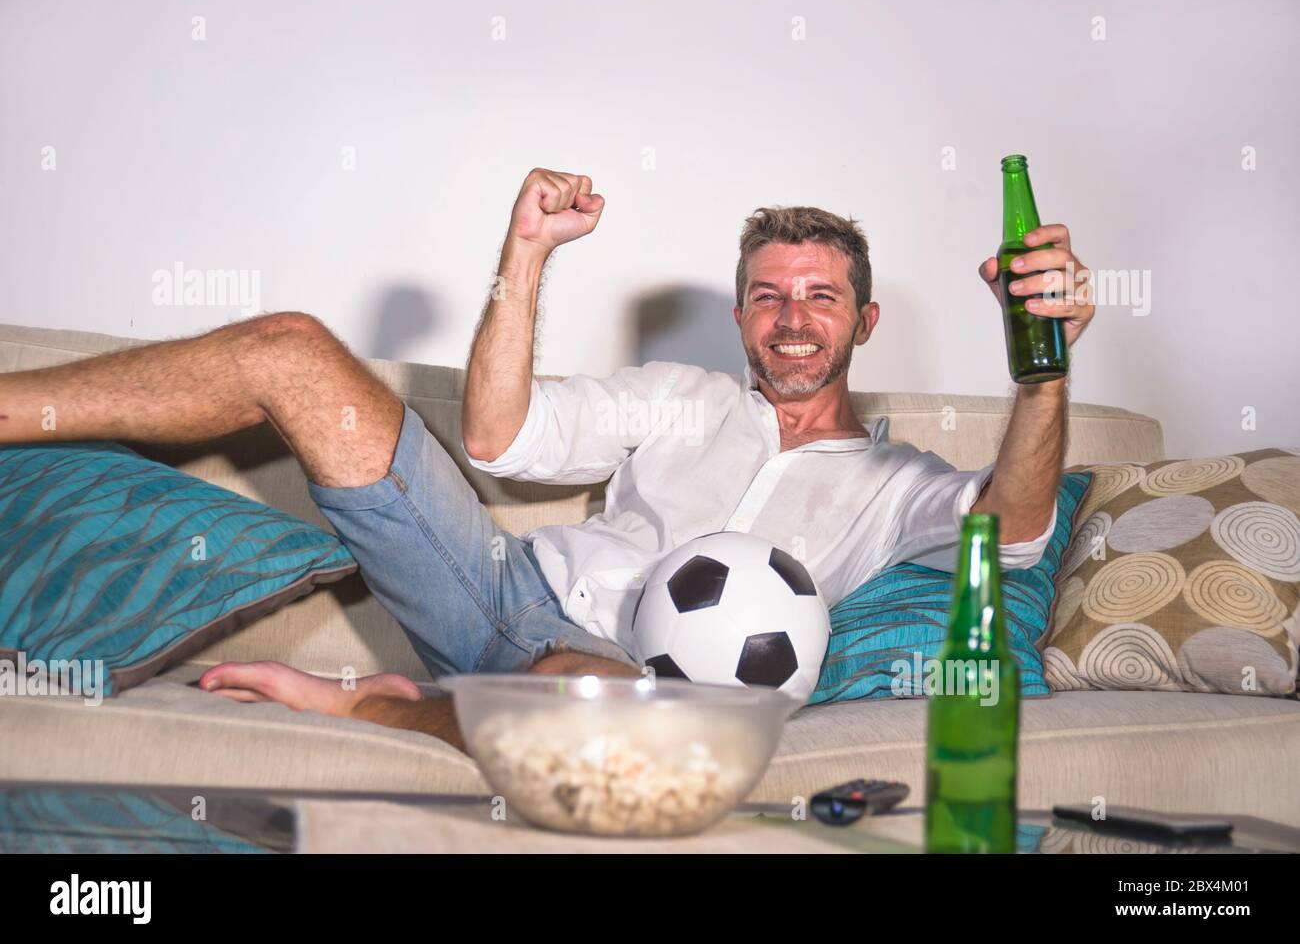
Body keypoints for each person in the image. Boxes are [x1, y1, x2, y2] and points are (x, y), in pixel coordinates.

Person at [0, 167, 1095, 752]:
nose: (792, 318)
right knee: (291, 349)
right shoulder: (683, 399)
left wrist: (1040, 371)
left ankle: (374, 707)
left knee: (603, 709)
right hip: (494, 585)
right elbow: (495, 437)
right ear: (738, 315)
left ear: (861, 324)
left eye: (820, 297)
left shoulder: (900, 489)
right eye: (767, 294)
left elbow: (1021, 526)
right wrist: (524, 254)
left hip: (631, 689)